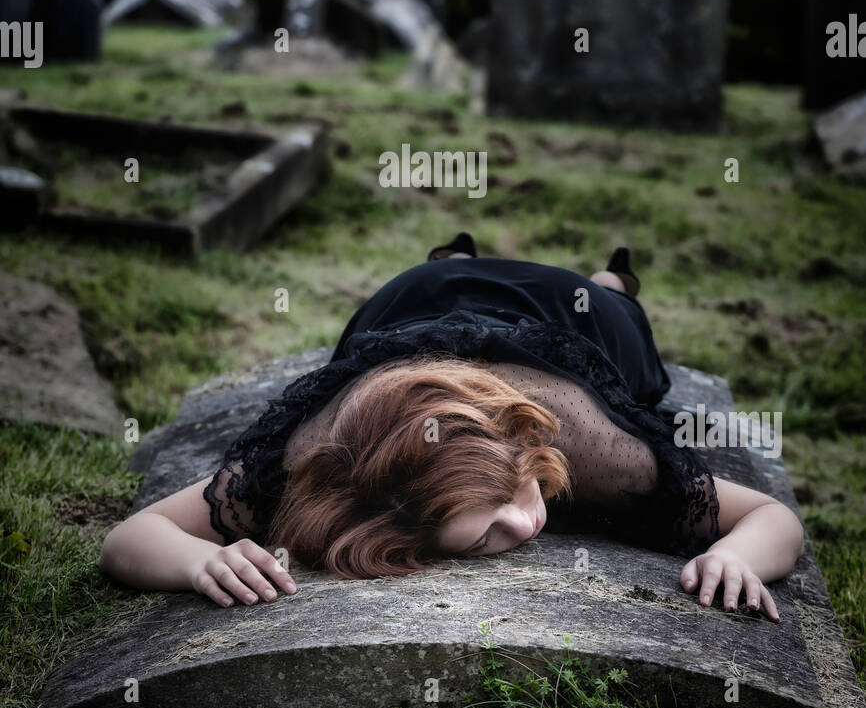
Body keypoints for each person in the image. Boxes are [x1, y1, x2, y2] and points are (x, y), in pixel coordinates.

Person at [100, 236, 804, 621]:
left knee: (620, 315)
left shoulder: (605, 455)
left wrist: (739, 556)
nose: (527, 527)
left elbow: (771, 518)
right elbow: (128, 540)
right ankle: (453, 263)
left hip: (574, 316)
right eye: (483, 533)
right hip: (412, 301)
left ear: (525, 441)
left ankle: (609, 277)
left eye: (521, 490)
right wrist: (197, 562)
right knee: (436, 277)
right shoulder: (311, 461)